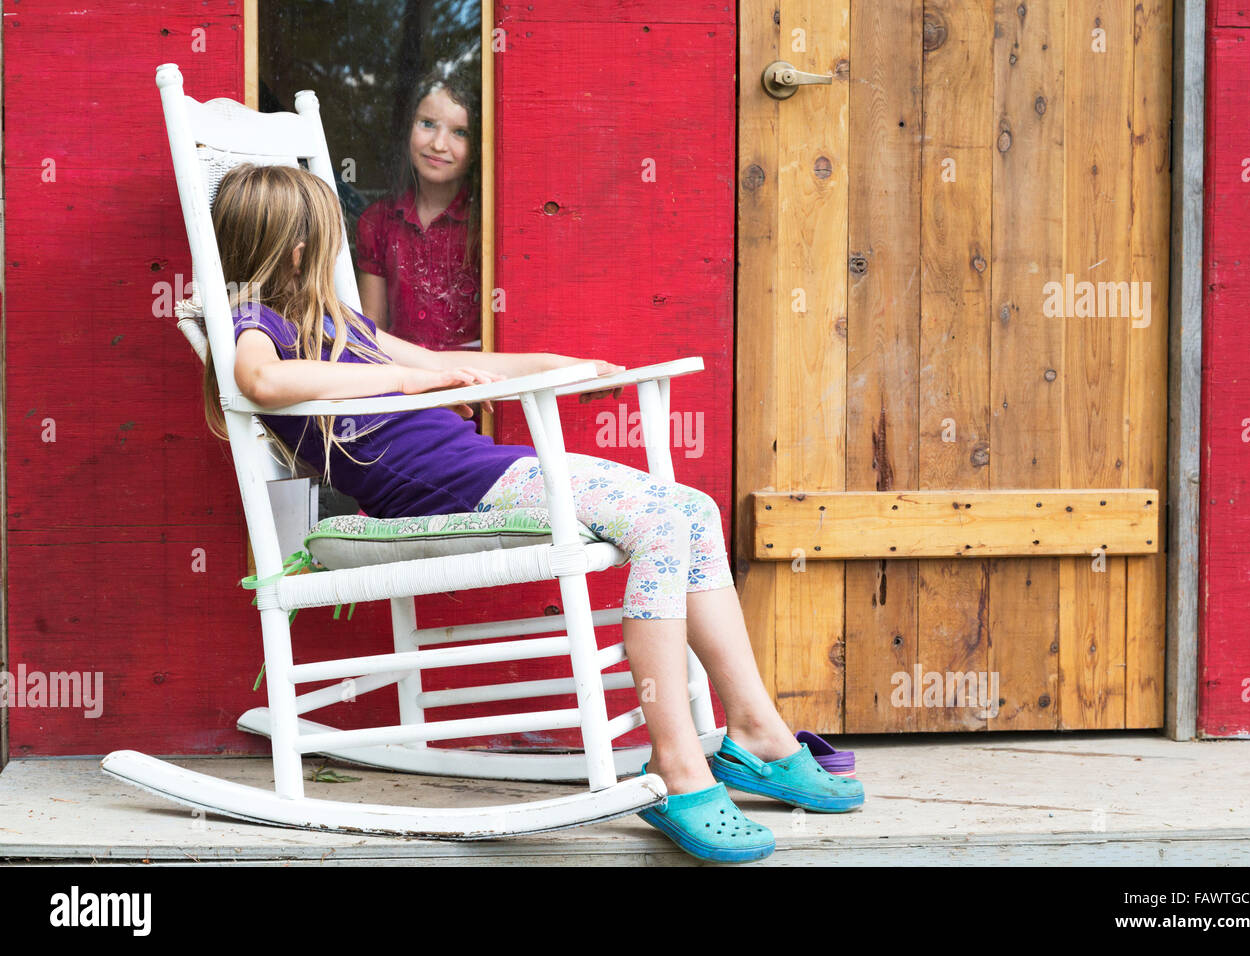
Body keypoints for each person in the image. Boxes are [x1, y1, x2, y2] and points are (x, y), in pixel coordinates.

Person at [204, 162, 863, 863]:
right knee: (663, 525)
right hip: (451, 491)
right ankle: (675, 766)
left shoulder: (338, 324)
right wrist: (410, 381)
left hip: (480, 471)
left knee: (691, 508)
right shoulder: (254, 323)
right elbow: (260, 379)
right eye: (328, 236)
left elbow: (449, 358)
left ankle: (756, 732)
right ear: (300, 247)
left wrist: (558, 363)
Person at [355, 61, 482, 353]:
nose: (438, 144)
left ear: (478, 147)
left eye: (460, 132)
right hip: (402, 382)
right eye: (427, 124)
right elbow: (369, 333)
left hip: (477, 385)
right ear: (407, 128)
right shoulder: (377, 222)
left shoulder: (485, 225)